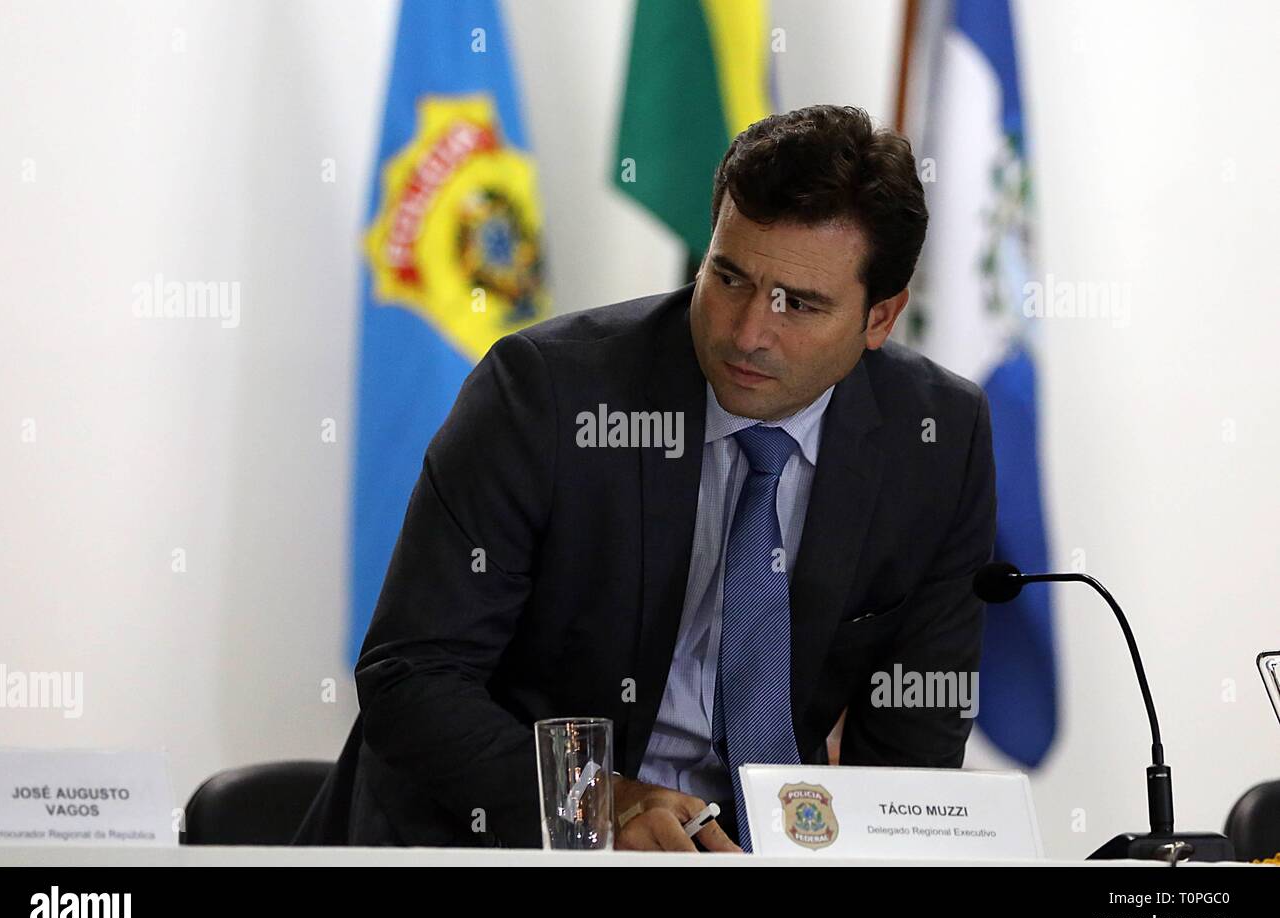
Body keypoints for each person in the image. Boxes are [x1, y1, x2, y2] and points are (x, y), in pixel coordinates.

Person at [294, 104, 996, 852]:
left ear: (881, 318)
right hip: (492, 845)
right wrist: (602, 804)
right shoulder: (545, 396)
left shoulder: (937, 439)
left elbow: (911, 742)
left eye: (800, 305)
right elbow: (414, 678)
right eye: (728, 277)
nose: (748, 332)